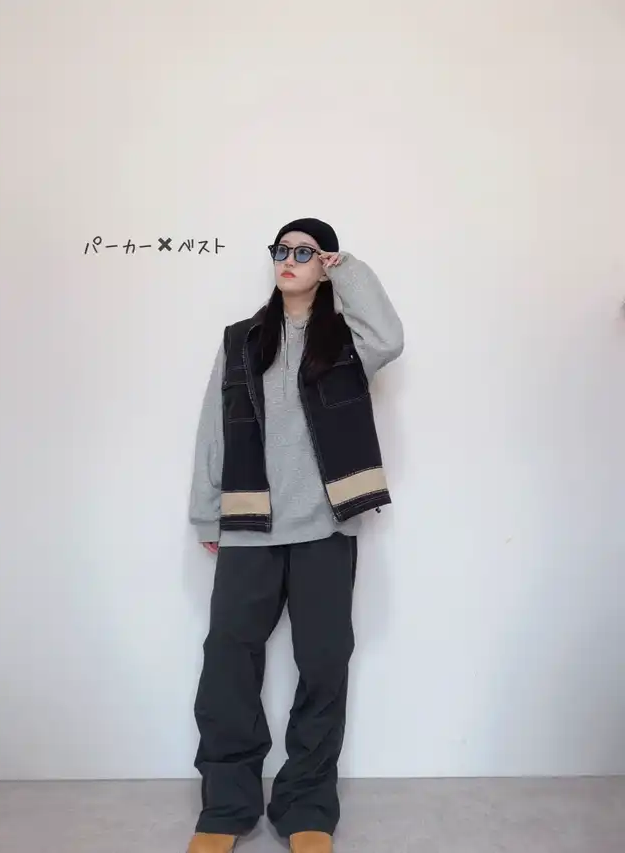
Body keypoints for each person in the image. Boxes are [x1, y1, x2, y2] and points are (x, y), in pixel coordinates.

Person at [186, 218, 404, 853]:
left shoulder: (347, 344)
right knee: (228, 663)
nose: (288, 259)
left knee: (324, 664)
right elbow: (213, 427)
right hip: (249, 526)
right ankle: (227, 808)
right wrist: (206, 512)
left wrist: (347, 268)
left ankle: (306, 806)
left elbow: (390, 337)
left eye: (304, 252)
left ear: (324, 263)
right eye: (280, 249)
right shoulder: (241, 339)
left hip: (324, 527)